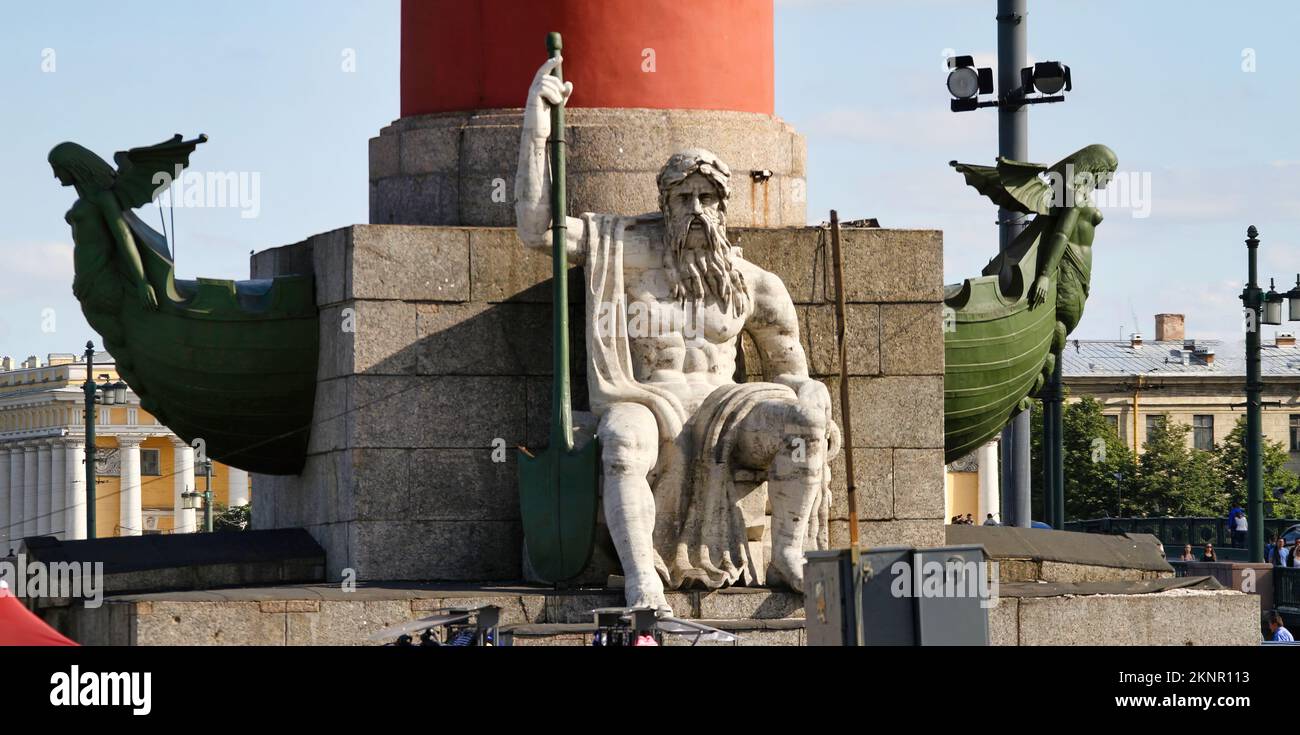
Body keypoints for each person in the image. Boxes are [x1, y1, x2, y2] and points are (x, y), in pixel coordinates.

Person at [515, 58, 841, 613]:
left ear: (723, 206)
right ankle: (643, 577)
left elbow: (791, 370)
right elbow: (535, 228)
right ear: (664, 203)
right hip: (645, 399)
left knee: (805, 423)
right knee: (620, 443)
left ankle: (788, 553)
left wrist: (812, 397)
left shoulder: (756, 284)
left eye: (707, 198)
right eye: (684, 198)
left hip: (729, 408)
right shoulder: (624, 252)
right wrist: (537, 127)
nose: (696, 209)